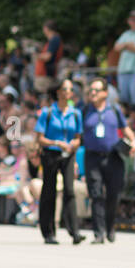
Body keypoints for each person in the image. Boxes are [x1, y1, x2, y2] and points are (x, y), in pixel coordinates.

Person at [81, 77, 135, 244]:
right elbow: (77, 133)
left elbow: (125, 128)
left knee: (113, 194)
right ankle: (98, 232)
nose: (92, 93)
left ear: (105, 93)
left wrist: (133, 141)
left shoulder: (114, 109)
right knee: (96, 194)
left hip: (113, 157)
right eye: (90, 90)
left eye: (96, 90)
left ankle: (110, 226)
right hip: (92, 157)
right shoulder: (84, 111)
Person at [35, 80, 85, 245]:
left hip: (68, 154)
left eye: (70, 90)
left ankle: (74, 231)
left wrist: (74, 146)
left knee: (69, 191)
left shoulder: (76, 113)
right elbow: (40, 138)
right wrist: (57, 143)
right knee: (49, 191)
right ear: (58, 92)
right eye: (64, 89)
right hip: (51, 153)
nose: (67, 92)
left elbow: (78, 137)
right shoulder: (48, 112)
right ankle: (48, 232)